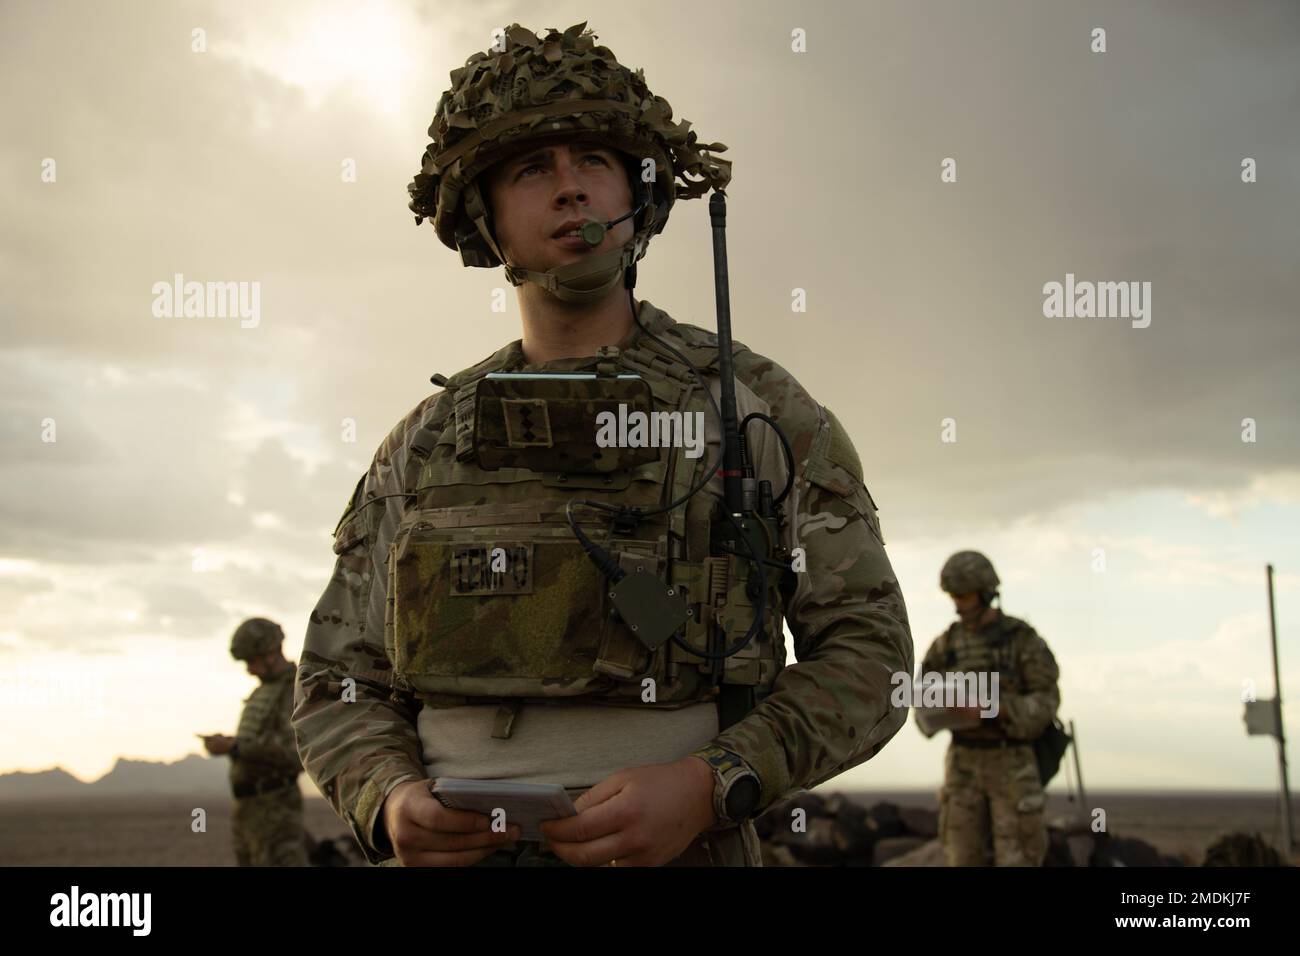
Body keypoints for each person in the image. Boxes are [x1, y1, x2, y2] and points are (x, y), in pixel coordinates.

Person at [293, 20, 913, 868]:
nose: (569, 189)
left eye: (593, 161)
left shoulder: (752, 412)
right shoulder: (424, 447)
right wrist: (390, 798)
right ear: (485, 217)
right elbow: (336, 682)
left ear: (639, 194)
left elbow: (872, 658)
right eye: (530, 168)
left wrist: (710, 782)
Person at [919, 551, 1060, 866]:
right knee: (961, 857)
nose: (957, 604)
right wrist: (941, 709)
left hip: (1011, 765)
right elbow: (921, 699)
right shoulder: (945, 646)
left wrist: (993, 708)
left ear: (985, 593)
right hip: (962, 766)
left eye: (964, 595)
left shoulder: (1021, 641)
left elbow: (1046, 702)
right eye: (953, 596)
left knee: (1018, 859)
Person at [202, 617, 308, 866]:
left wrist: (236, 747)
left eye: (252, 661)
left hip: (275, 809)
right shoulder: (263, 691)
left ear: (271, 653)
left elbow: (296, 751)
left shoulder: (296, 689)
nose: (249, 669)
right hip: (249, 809)